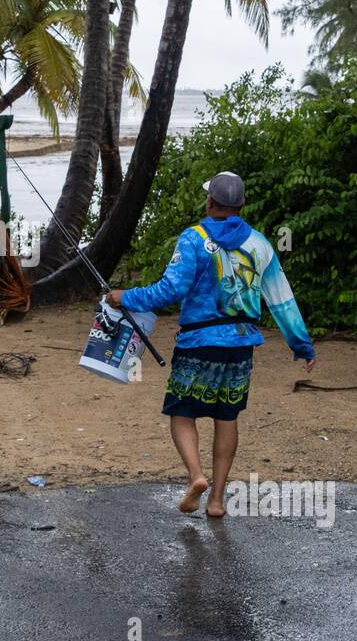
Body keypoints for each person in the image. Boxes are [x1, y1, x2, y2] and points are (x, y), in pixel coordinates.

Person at [108, 171, 316, 519]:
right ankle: (217, 500)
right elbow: (281, 300)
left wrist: (124, 296)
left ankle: (196, 476)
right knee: (227, 416)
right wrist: (302, 345)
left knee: (181, 412)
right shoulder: (260, 244)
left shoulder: (194, 239)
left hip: (198, 342)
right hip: (240, 345)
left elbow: (169, 290)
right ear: (241, 205)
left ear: (210, 203)